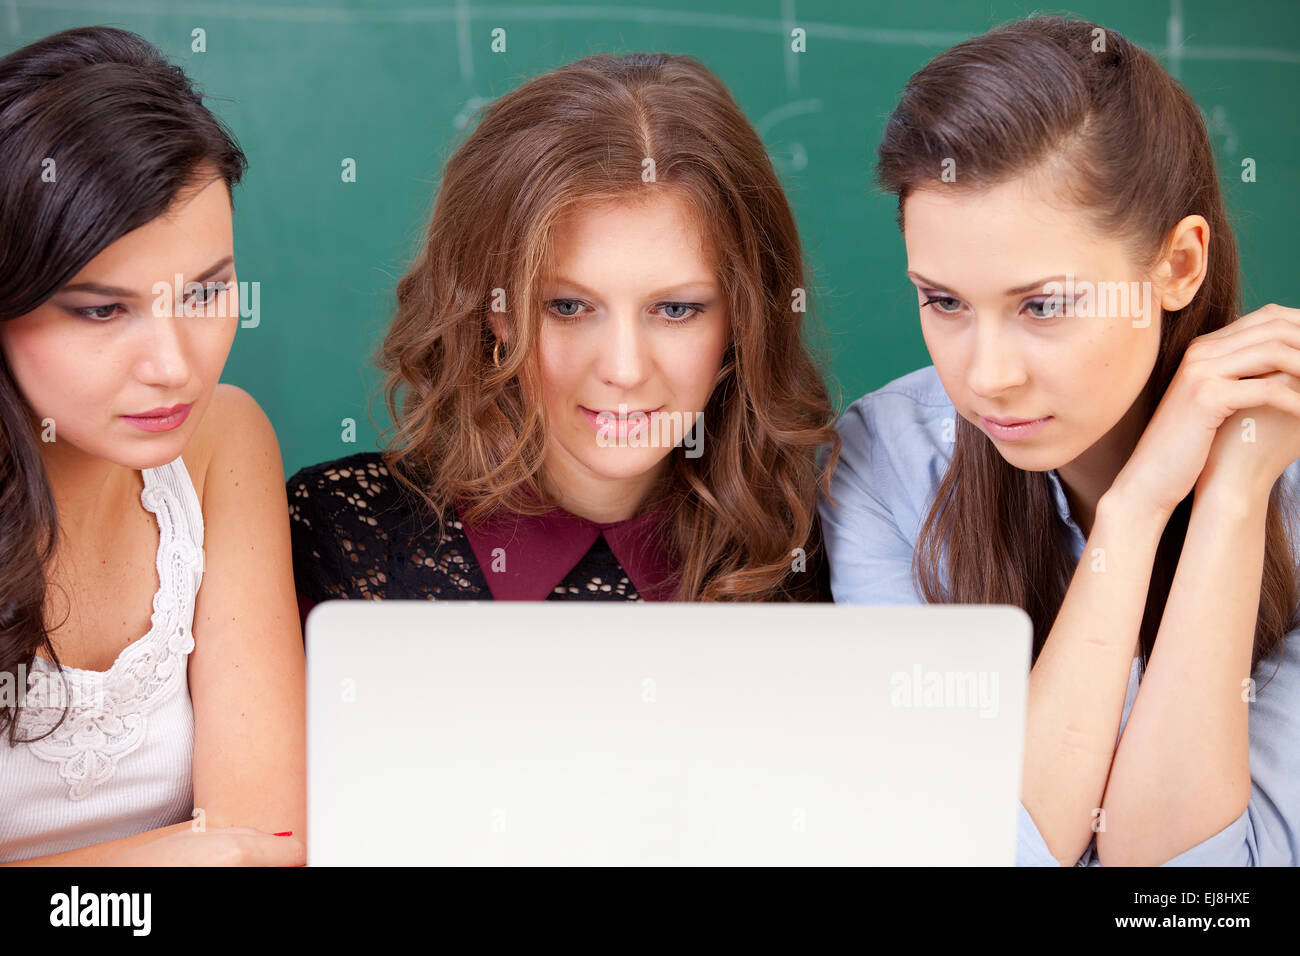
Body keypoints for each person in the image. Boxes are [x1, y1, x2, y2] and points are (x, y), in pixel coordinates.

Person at [820, 16, 1300, 865]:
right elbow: (976, 852)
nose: (988, 375)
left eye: (1044, 305)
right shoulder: (886, 465)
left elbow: (1191, 898)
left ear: (1178, 266)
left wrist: (1231, 496)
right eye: (943, 301)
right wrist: (1137, 506)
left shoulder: (1285, 486)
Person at [289, 52, 839, 610]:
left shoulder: (814, 553)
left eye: (675, 310)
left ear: (743, 320)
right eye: (569, 306)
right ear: (493, 308)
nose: (623, 370)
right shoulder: (339, 535)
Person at [0, 27, 305, 865]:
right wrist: (182, 855)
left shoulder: (222, 443)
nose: (175, 367)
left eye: (207, 292)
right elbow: (228, 853)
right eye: (103, 310)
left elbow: (271, 838)